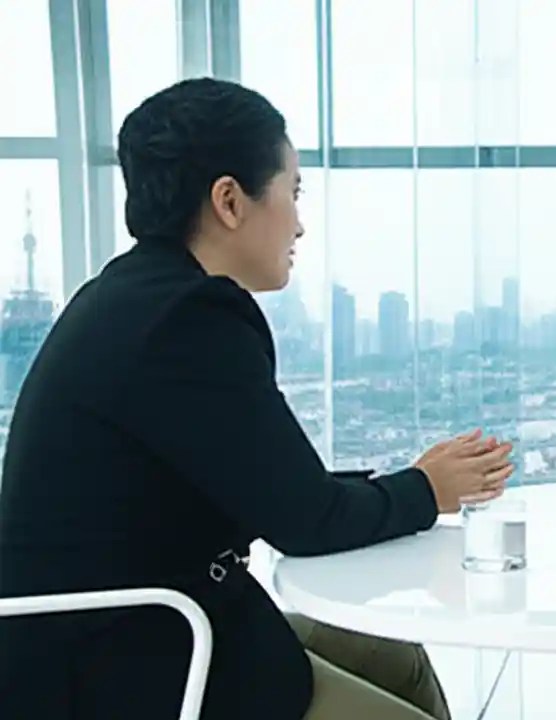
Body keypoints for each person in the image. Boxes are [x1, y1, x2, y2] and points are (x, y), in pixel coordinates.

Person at [0, 78, 514, 720]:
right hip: (136, 663)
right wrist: (425, 490)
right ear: (230, 201)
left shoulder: (131, 297)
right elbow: (308, 524)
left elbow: (269, 488)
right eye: (292, 192)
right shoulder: (187, 317)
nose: (299, 223)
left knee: (394, 658)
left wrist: (405, 484)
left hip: (119, 633)